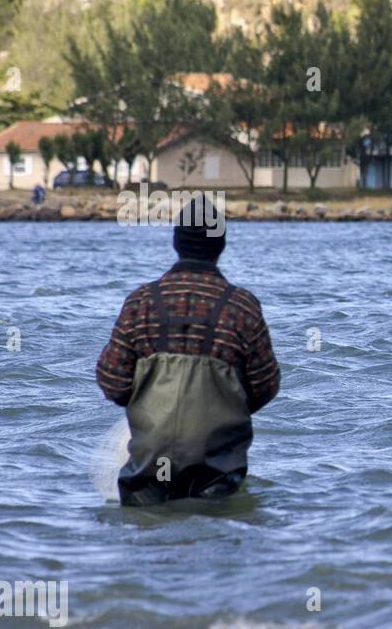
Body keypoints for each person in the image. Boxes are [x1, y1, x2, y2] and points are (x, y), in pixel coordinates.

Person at [96, 195, 280, 506]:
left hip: (149, 472)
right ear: (220, 244)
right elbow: (265, 387)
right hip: (216, 474)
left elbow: (113, 383)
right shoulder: (242, 306)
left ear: (176, 243)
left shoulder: (140, 302)